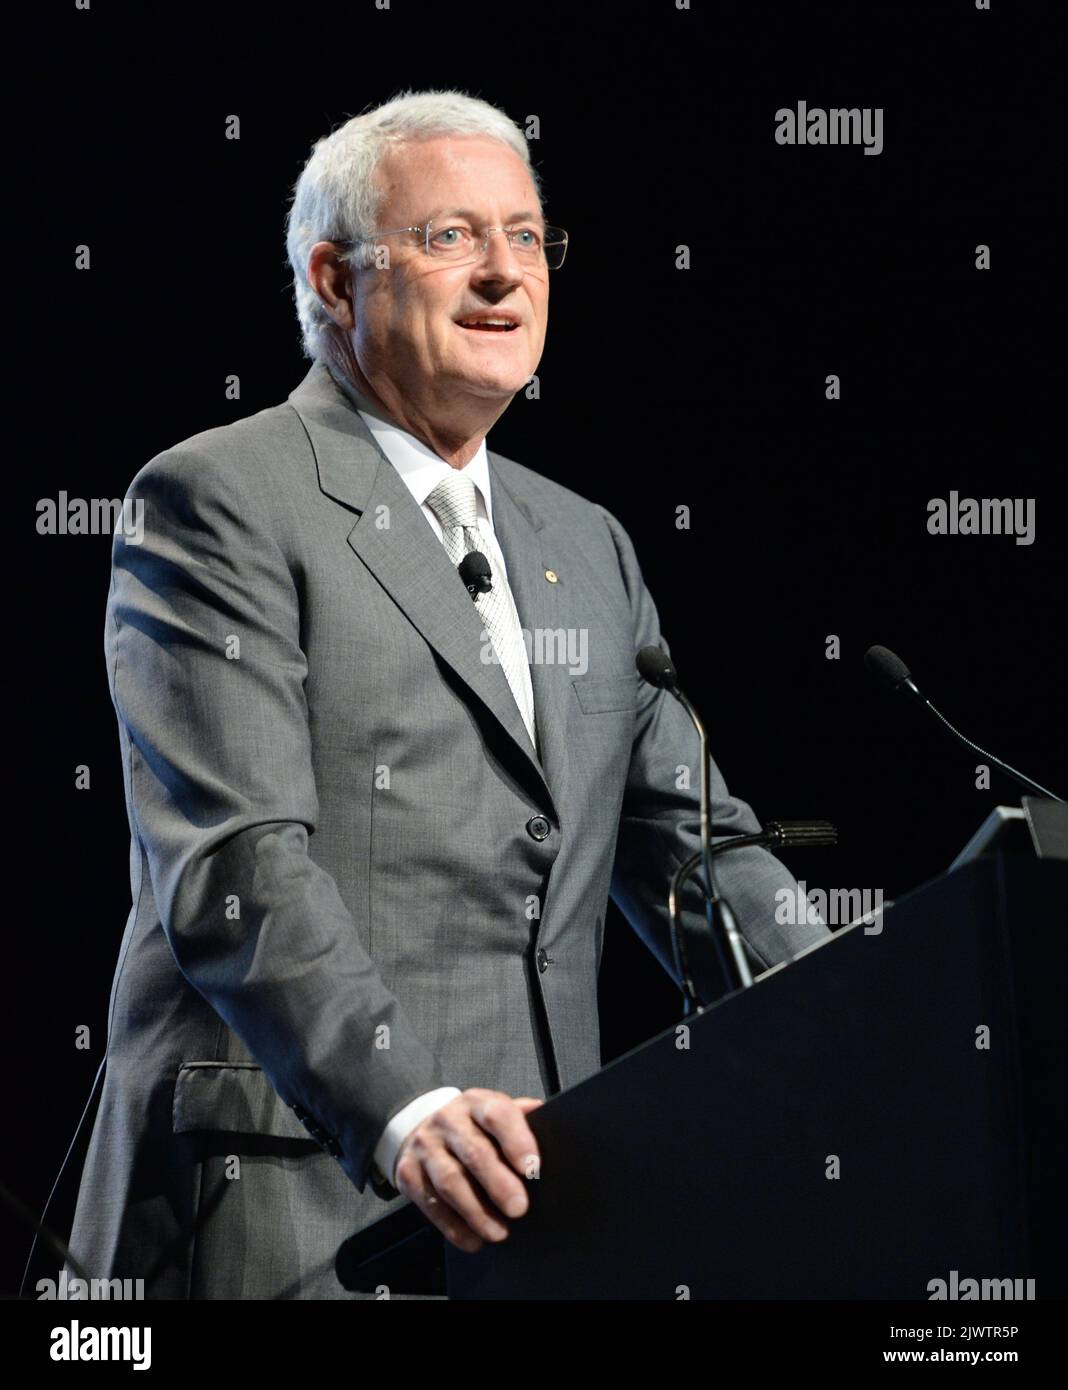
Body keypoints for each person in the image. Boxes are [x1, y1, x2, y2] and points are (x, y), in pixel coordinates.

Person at [62, 89, 829, 1299]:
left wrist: (878, 1009)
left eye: (526, 237)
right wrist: (407, 1105)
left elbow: (699, 857)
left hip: (540, 1199)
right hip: (291, 1190)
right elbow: (234, 865)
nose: (501, 275)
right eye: (448, 237)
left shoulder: (584, 540)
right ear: (332, 279)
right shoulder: (219, 499)